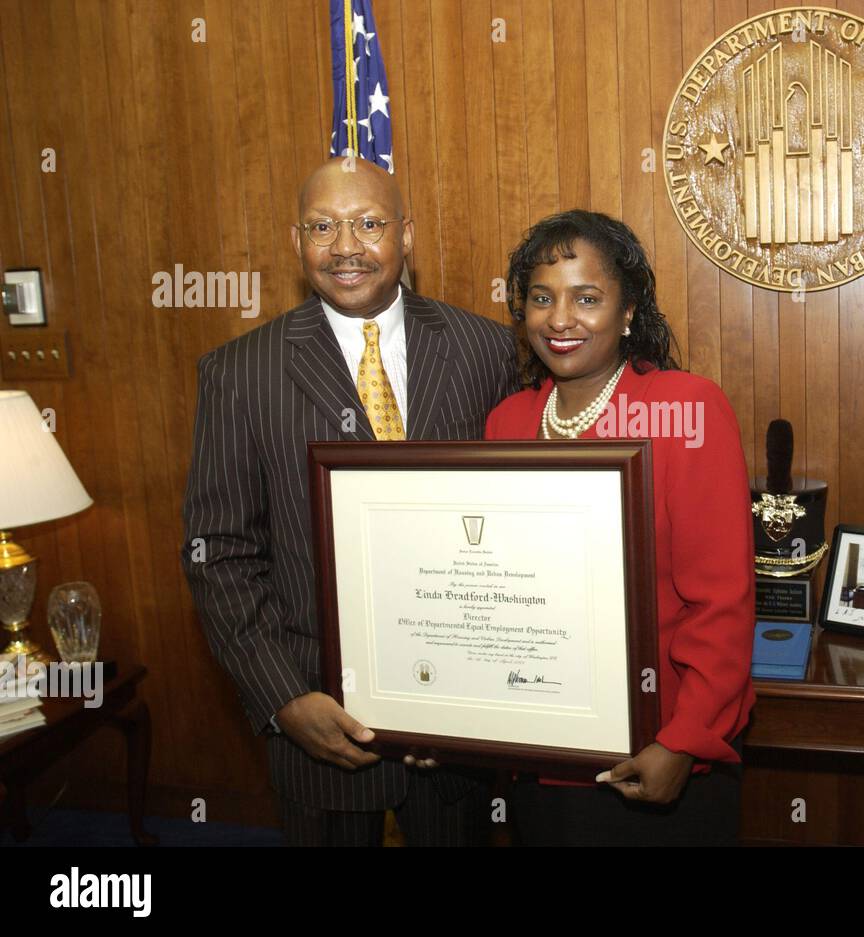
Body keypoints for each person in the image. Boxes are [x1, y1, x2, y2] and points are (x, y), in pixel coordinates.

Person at [181, 157, 517, 846]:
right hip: (316, 717)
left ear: (407, 234)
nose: (345, 247)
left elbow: (515, 521)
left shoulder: (488, 349)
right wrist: (283, 698)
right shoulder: (239, 373)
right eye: (322, 226)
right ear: (294, 239)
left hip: (462, 713)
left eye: (369, 223)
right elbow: (218, 552)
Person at [483, 209, 755, 845]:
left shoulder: (685, 409)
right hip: (542, 755)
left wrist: (682, 743)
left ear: (628, 310)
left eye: (587, 298)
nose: (560, 319)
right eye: (542, 298)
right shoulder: (508, 422)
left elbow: (721, 601)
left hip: (655, 758)